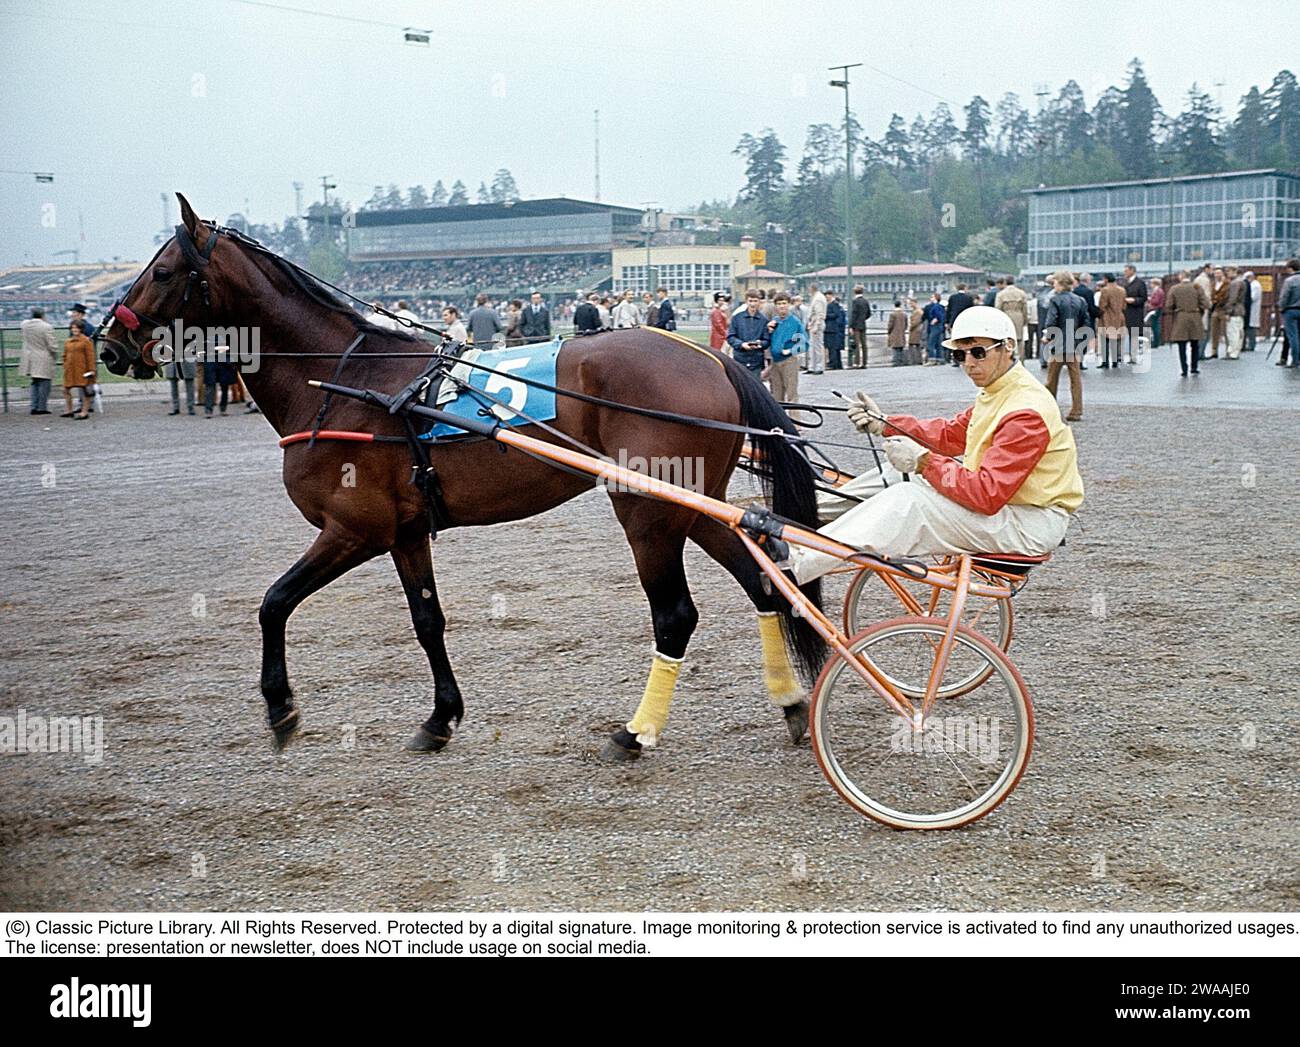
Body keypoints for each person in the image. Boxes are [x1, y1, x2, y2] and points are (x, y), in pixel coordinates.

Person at [787, 305, 1082, 582]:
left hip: (1029, 524)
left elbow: (986, 494)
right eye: (960, 355)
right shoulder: (1001, 390)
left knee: (909, 499)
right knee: (897, 474)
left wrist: (924, 462)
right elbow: (949, 435)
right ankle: (806, 514)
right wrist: (884, 423)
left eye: (978, 353)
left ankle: (797, 563)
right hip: (1011, 511)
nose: (968, 364)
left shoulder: (1025, 410)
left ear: (1008, 347)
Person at [1041, 270, 1088, 422]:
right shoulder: (1080, 300)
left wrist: (1047, 337)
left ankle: (1050, 409)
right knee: (1075, 379)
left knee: (1052, 379)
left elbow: (1051, 321)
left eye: (1054, 282)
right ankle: (1077, 410)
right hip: (1073, 345)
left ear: (1060, 283)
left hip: (1059, 344)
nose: (1053, 284)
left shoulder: (1055, 300)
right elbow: (1085, 322)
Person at [763, 292, 806, 409]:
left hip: (789, 361)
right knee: (777, 395)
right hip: (775, 361)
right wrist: (768, 330)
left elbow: (804, 343)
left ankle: (796, 424)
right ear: (775, 306)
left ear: (788, 304)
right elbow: (766, 339)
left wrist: (791, 351)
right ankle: (780, 421)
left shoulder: (795, 322)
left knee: (792, 393)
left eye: (784, 303)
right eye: (779, 304)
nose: (782, 306)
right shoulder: (774, 322)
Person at [1163, 270, 1208, 377]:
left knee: (1181, 345)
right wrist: (1199, 310)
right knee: (1195, 344)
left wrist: (1176, 310)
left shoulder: (1174, 288)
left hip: (1180, 317)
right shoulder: (1197, 287)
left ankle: (1184, 369)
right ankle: (1194, 367)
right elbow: (1206, 303)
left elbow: (1169, 305)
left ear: (1181, 276)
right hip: (1195, 317)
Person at [19, 307, 58, 415]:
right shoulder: (46, 327)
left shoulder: (25, 325)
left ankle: (34, 406)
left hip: (30, 356)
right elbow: (52, 346)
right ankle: (42, 407)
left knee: (34, 382)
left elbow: (25, 322)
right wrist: (55, 355)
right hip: (43, 357)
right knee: (44, 384)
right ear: (43, 315)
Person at [725, 289, 771, 378]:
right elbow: (731, 337)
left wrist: (759, 344)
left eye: (755, 301)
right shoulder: (737, 318)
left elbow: (767, 340)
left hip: (756, 360)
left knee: (755, 388)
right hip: (740, 359)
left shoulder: (763, 320)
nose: (753, 304)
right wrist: (741, 344)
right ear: (746, 301)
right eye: (750, 301)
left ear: (759, 302)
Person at [61, 319, 97, 419]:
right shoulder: (68, 341)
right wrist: (65, 364)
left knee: (85, 390)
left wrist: (92, 370)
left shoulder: (86, 341)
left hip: (83, 370)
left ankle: (84, 412)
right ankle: (69, 410)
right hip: (70, 370)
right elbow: (64, 355)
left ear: (81, 329)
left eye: (76, 328)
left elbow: (90, 357)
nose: (74, 330)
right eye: (73, 328)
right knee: (65, 389)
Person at [1096, 273, 1127, 368]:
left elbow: (1102, 305)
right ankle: (1115, 361)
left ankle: (1105, 362)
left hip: (1107, 317)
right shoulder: (1122, 290)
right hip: (1119, 316)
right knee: (1116, 339)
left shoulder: (1105, 290)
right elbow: (1124, 305)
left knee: (1105, 340)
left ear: (1106, 279)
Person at [994, 276, 1028, 360]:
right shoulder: (1021, 293)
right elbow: (1025, 309)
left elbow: (998, 308)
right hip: (1018, 315)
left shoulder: (1001, 294)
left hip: (1006, 315)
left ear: (1005, 282)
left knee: (1007, 339)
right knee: (1019, 340)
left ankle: (1008, 359)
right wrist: (1025, 320)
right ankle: (1021, 359)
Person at [203, 343, 237, 418]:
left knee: (225, 385)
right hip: (210, 358)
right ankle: (208, 410)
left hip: (224, 359)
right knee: (210, 385)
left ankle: (223, 408)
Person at [1121, 264, 1147, 360]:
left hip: (1135, 312)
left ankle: (1134, 355)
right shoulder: (1125, 283)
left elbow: (1144, 298)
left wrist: (1134, 300)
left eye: (1126, 271)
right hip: (1126, 312)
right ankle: (1127, 354)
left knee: (1134, 334)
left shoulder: (1140, 283)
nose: (1125, 273)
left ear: (1132, 271)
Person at [1278, 258, 1300, 369]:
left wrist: (1281, 307)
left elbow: (1284, 296)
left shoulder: (1289, 281)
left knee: (1293, 336)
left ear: (1290, 268)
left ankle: (1295, 360)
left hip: (1291, 310)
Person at [945, 283, 974, 365]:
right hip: (965, 321)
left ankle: (956, 359)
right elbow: (971, 311)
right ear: (965, 288)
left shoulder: (952, 297)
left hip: (954, 321)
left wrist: (947, 322)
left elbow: (949, 310)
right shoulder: (968, 298)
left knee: (956, 340)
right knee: (966, 340)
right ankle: (966, 358)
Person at [805, 283, 827, 374]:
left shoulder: (818, 298)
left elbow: (819, 314)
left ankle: (818, 366)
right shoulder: (817, 297)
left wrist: (816, 326)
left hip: (816, 324)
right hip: (814, 324)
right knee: (813, 346)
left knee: (817, 346)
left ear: (812, 289)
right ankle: (813, 366)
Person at [848, 285, 870, 368]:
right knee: (864, 344)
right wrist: (863, 319)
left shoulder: (855, 301)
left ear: (854, 292)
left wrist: (850, 326)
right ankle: (864, 362)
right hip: (863, 324)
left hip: (856, 326)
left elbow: (854, 314)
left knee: (857, 344)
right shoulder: (865, 301)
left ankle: (856, 362)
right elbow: (869, 313)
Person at [922, 292, 946, 365]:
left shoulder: (935, 306)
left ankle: (931, 359)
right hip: (940, 326)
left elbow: (938, 315)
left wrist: (935, 319)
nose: (931, 298)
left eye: (932, 297)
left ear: (935, 298)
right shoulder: (941, 306)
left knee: (931, 343)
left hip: (935, 326)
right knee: (939, 343)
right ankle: (940, 359)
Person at [824, 289, 846, 370]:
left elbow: (836, 314)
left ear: (830, 295)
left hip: (832, 328)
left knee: (832, 347)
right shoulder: (832, 304)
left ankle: (833, 363)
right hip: (831, 329)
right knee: (832, 347)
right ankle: (836, 363)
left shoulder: (833, 304)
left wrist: (826, 315)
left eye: (826, 296)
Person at [1242, 271, 1261, 352]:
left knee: (1251, 328)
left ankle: (1251, 345)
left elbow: (1253, 297)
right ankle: (1249, 344)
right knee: (1249, 327)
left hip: (1252, 309)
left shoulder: (1255, 285)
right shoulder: (1252, 285)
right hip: (1249, 309)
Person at [886, 299, 907, 366]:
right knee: (901, 347)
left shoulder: (893, 314)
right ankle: (901, 361)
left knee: (895, 348)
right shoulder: (904, 314)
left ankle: (895, 361)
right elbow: (906, 324)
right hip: (901, 333)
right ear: (900, 305)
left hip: (894, 333)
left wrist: (889, 331)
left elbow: (890, 325)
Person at [1147, 277, 1166, 348]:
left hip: (1155, 309)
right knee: (1155, 325)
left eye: (1151, 283)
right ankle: (1156, 341)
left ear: (1154, 283)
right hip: (1157, 309)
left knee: (1155, 326)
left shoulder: (1158, 291)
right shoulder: (1159, 290)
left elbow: (1156, 301)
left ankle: (1156, 342)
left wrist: (1150, 300)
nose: (1150, 285)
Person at [906, 297, 924, 365]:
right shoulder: (918, 311)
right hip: (917, 330)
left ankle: (914, 360)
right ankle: (918, 360)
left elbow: (915, 322)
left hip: (915, 331)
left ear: (914, 303)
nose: (910, 305)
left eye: (911, 303)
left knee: (913, 345)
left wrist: (910, 327)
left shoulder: (917, 311)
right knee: (917, 346)